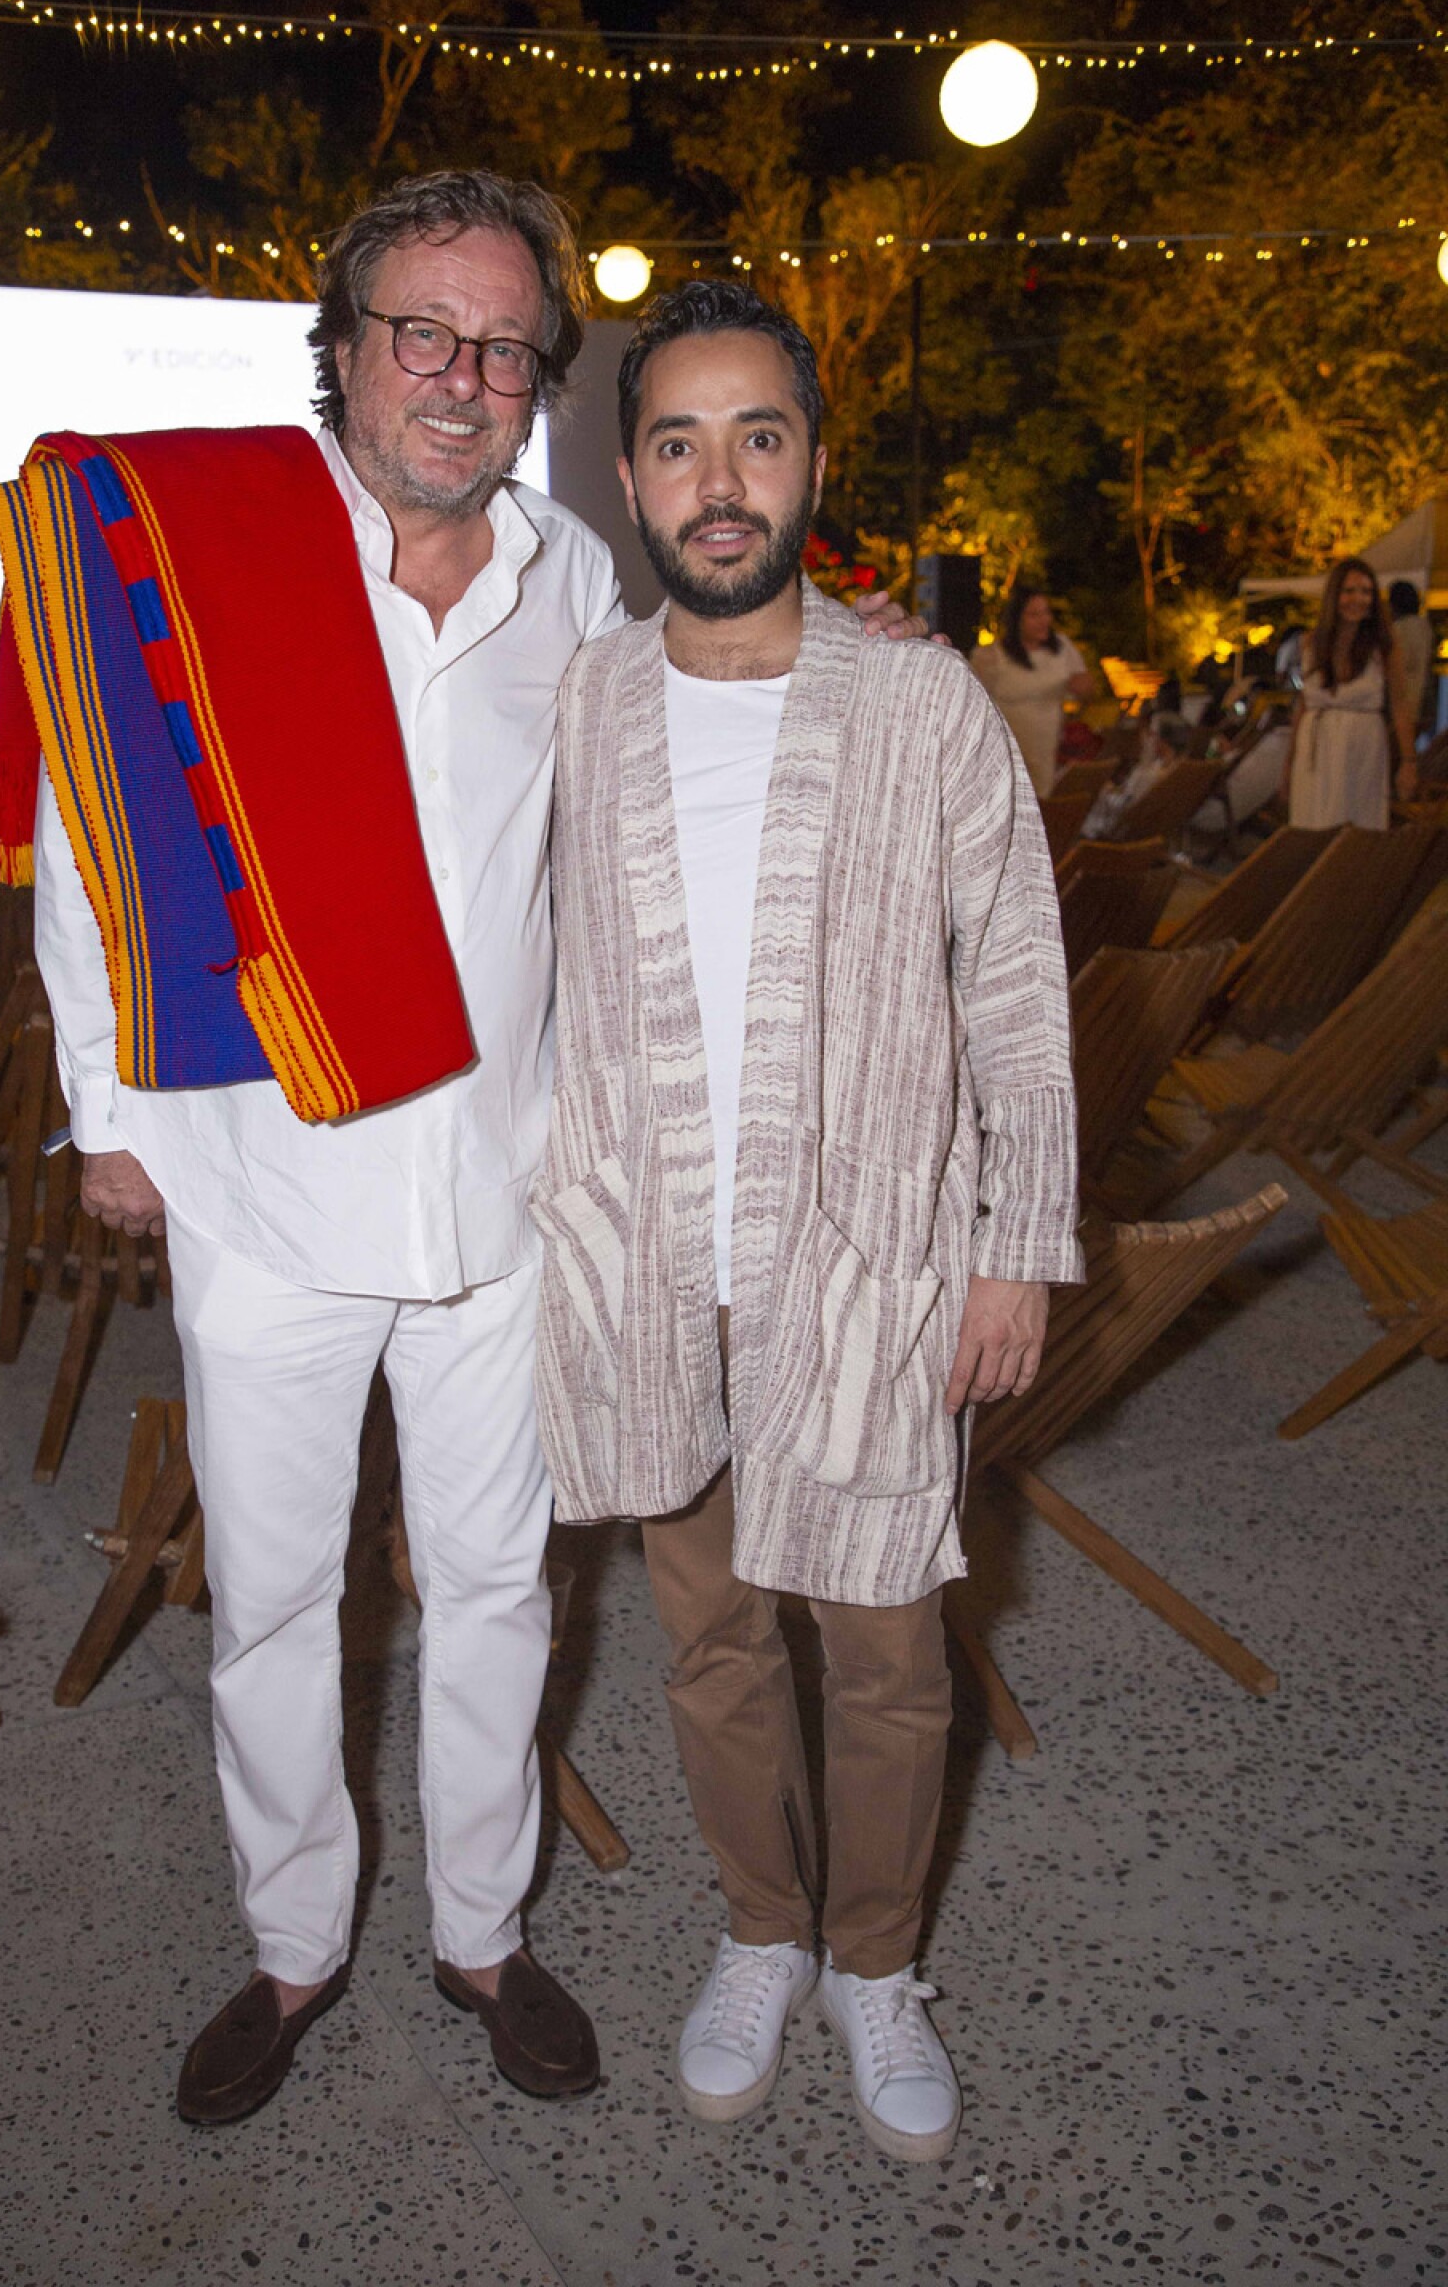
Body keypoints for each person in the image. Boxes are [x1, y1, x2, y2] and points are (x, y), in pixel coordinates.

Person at [0, 171, 921, 2129]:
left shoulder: (573, 580)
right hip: (260, 1179)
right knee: (273, 1599)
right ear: (338, 349)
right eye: (423, 331)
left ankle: (481, 1935)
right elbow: (89, 841)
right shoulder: (199, 550)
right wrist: (108, 1113)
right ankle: (294, 1942)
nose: (463, 377)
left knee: (501, 1588)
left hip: (508, 1194)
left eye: (505, 349)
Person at [533, 282, 1082, 2166]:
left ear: (813, 464)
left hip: (867, 1267)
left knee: (885, 1651)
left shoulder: (920, 698)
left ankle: (875, 1964)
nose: (717, 480)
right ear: (627, 479)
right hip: (653, 1266)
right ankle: (759, 1928)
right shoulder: (586, 701)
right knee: (708, 1644)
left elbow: (1015, 978)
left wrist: (1017, 1242)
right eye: (676, 442)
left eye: (755, 435)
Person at [1287, 557, 1416, 826]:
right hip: (1315, 746)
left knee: (1358, 824)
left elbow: (1400, 706)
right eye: (1349, 591)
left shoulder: (1384, 647)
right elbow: (1303, 706)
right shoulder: (1312, 643)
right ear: (1335, 595)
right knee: (1312, 824)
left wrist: (1408, 761)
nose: (1358, 599)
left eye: (1366, 591)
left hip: (1363, 746)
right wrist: (1288, 763)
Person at [970, 582, 1096, 795]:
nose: (1044, 620)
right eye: (1034, 615)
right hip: (1006, 756)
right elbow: (972, 704)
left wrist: (1083, 688)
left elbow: (1086, 688)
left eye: (1046, 613)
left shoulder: (1061, 647)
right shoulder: (991, 656)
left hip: (1047, 753)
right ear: (1016, 619)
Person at [1082, 708, 1190, 836]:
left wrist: (1104, 791)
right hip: (1153, 831)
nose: (1144, 737)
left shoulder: (1149, 774)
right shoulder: (1181, 770)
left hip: (1119, 830)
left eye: (1150, 733)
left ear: (1162, 742)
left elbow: (1124, 809)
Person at [1387, 579, 1434, 746]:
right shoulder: (1425, 629)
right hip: (1417, 708)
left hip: (1397, 710)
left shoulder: (1397, 631)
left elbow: (1394, 671)